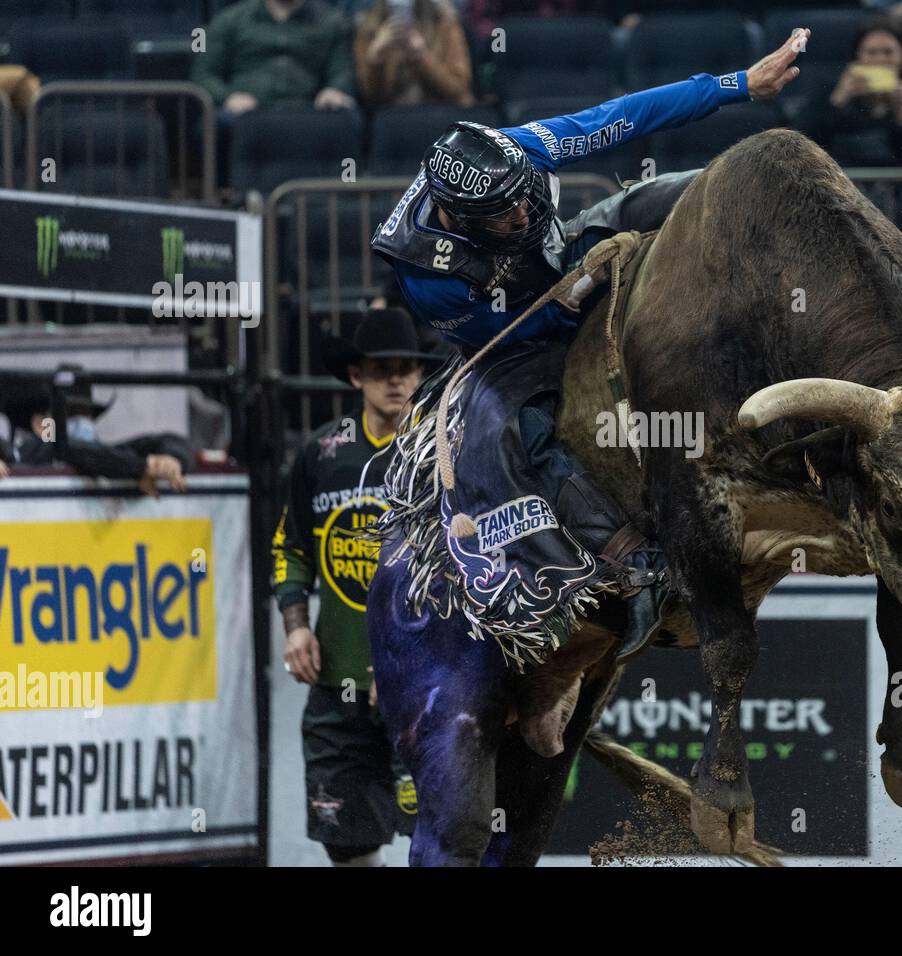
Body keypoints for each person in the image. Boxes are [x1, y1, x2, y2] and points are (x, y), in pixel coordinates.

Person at [370, 30, 809, 685]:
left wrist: (740, 83)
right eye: (502, 214)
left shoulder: (514, 150)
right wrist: (566, 299)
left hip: (571, 250)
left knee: (713, 191)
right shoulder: (422, 271)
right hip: (512, 331)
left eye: (525, 195)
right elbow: (510, 330)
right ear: (461, 220)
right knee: (520, 427)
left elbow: (618, 117)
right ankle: (625, 563)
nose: (521, 212)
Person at [271, 310, 437, 866]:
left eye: (406, 369)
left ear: (420, 375)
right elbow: (290, 547)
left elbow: (470, 570)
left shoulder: (444, 459)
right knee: (349, 851)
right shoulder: (322, 455)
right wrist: (295, 626)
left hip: (423, 694)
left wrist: (399, 665)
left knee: (439, 847)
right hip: (337, 693)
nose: (395, 381)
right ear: (355, 377)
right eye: (381, 370)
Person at [0, 367, 189, 497]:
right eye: (71, 415)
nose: (82, 423)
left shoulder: (109, 458)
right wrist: (141, 467)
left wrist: (169, 462)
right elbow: (67, 450)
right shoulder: (21, 455)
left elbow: (174, 443)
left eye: (86, 415)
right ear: (41, 425)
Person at [805, 18, 902, 167]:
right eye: (871, 52)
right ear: (858, 56)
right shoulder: (831, 94)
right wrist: (837, 101)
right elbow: (805, 146)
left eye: (888, 52)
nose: (880, 60)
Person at [191, 0, 357, 116]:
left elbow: (342, 71)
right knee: (218, 122)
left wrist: (335, 90)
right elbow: (204, 75)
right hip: (244, 113)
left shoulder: (333, 22)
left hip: (308, 111)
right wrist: (228, 97)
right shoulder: (229, 20)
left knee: (344, 119)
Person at [353, 0, 474, 110]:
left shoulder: (444, 24)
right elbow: (370, 97)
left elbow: (459, 90)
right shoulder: (368, 29)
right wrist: (377, 56)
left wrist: (421, 56)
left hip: (440, 113)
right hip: (390, 118)